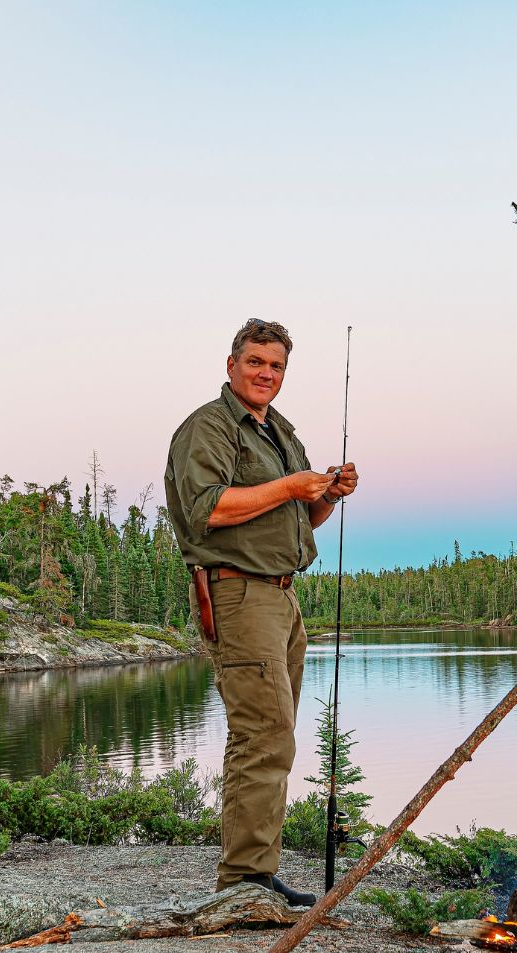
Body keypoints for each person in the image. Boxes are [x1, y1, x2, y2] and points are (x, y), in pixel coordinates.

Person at [164, 318, 359, 906]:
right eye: (255, 362)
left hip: (282, 595)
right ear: (232, 365)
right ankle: (244, 880)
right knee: (262, 736)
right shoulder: (210, 427)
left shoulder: (280, 434)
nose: (265, 374)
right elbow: (206, 511)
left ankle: (257, 872)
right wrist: (292, 486)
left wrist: (324, 494)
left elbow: (303, 520)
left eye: (275, 366)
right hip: (238, 593)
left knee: (277, 733)